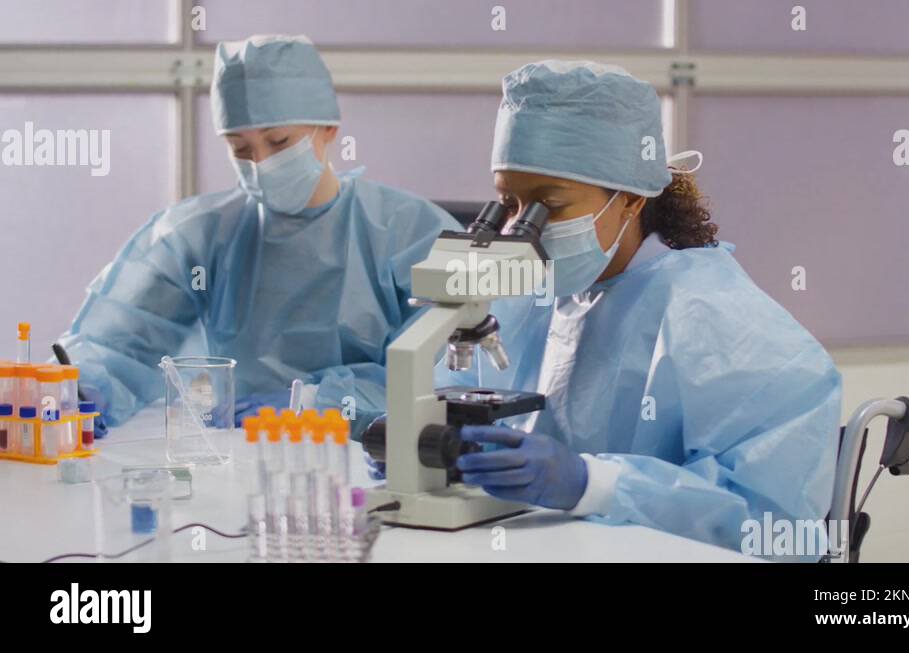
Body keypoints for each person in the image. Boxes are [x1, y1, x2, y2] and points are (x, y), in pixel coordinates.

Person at [432, 61, 842, 559]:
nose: (522, 227)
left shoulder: (723, 322)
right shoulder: (532, 293)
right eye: (510, 204)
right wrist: (430, 447)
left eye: (551, 206)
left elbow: (775, 526)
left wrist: (595, 484)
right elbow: (455, 392)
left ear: (628, 199)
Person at [57, 35, 459, 437]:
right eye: (241, 149)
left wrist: (310, 402)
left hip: (374, 459)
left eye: (279, 142)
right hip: (243, 451)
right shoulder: (206, 234)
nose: (262, 163)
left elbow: (444, 376)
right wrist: (87, 389)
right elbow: (123, 342)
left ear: (328, 128)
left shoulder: (407, 232)